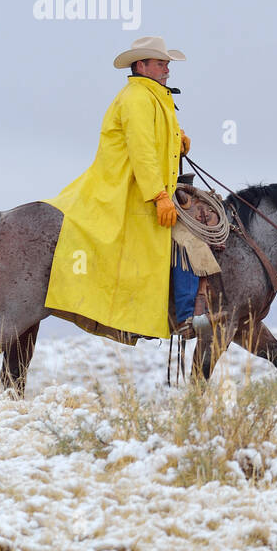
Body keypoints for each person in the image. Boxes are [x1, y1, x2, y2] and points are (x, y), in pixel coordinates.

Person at [42, 36, 194, 342]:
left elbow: (154, 144)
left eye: (167, 64)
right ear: (142, 65)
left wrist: (175, 141)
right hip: (129, 190)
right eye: (161, 63)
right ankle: (186, 314)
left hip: (143, 185)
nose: (167, 69)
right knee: (188, 238)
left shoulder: (152, 96)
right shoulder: (138, 98)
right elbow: (141, 151)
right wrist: (159, 195)